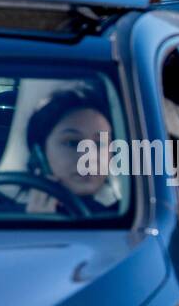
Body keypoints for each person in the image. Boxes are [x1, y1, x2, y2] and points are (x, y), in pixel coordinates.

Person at [24, 85, 122, 214]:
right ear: (39, 153)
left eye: (100, 143)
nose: (89, 157)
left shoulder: (124, 216)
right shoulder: (1, 218)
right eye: (73, 143)